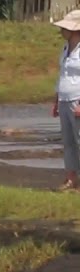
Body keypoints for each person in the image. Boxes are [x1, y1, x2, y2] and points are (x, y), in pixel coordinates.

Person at [53, 10, 80, 190]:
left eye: (66, 27)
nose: (62, 30)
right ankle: (71, 178)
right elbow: (62, 75)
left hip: (77, 99)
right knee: (68, 141)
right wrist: (56, 100)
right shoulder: (65, 49)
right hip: (64, 99)